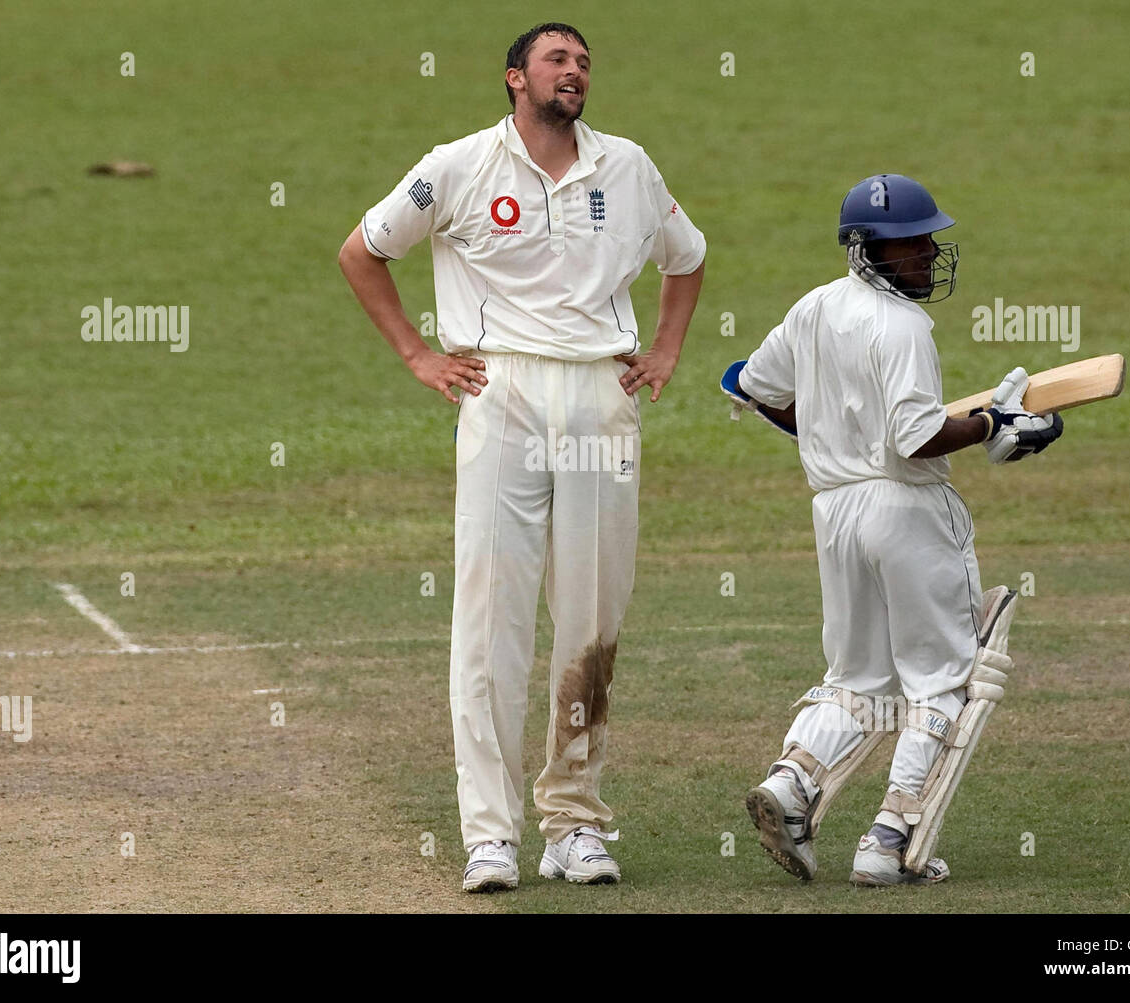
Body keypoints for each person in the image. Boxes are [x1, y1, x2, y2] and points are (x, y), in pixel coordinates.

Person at [338, 22, 706, 892]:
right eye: (557, 59)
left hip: (598, 399)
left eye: (583, 62)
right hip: (498, 394)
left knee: (590, 619)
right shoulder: (459, 165)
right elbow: (363, 251)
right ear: (515, 78)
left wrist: (665, 351)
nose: (574, 71)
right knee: (492, 620)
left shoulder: (629, 166)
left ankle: (574, 822)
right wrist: (419, 356)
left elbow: (686, 260)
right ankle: (490, 834)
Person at [721, 174, 1062, 885]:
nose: (933, 254)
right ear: (876, 249)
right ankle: (888, 837)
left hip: (834, 509)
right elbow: (915, 439)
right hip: (904, 510)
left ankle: (792, 781)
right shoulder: (905, 325)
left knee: (856, 680)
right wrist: (995, 425)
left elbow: (751, 387)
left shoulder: (811, 308)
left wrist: (822, 432)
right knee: (942, 677)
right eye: (919, 242)